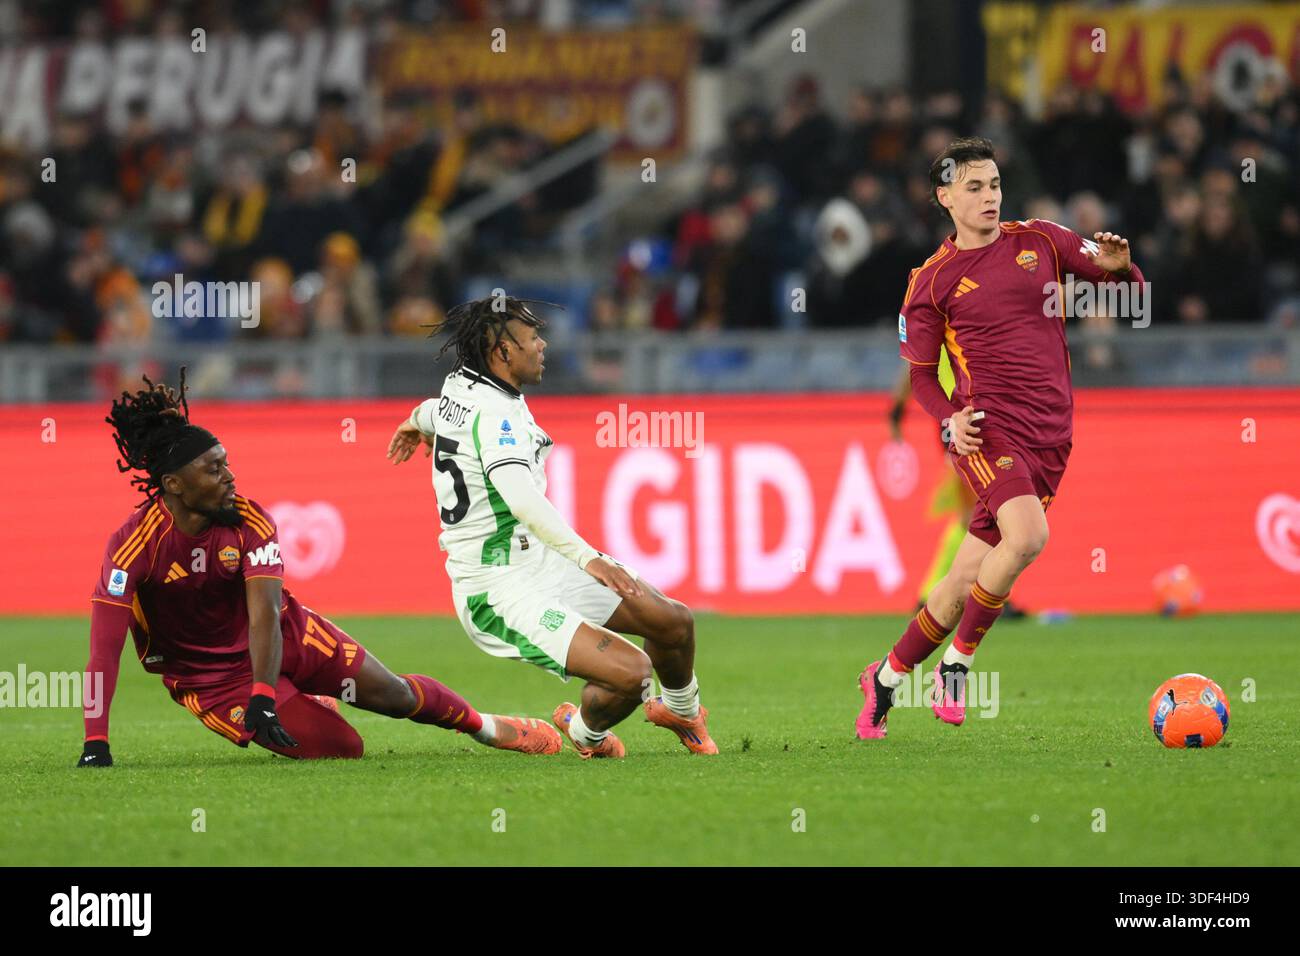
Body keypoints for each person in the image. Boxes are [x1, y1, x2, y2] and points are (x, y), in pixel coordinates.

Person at [79, 370, 561, 767]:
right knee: (343, 748)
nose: (229, 476)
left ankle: (493, 728)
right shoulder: (133, 547)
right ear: (174, 484)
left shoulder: (249, 519)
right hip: (212, 678)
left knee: (394, 694)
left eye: (226, 463)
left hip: (288, 635)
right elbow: (104, 649)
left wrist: (265, 694)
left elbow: (265, 615)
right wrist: (95, 743)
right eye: (213, 469)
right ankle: (309, 704)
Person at [857, 137, 1145, 738]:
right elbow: (919, 374)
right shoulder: (930, 282)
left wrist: (1123, 270)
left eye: (993, 185)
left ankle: (884, 678)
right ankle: (957, 668)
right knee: (1028, 535)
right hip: (987, 431)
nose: (989, 197)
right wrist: (947, 420)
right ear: (945, 198)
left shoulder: (1041, 240)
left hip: (1053, 433)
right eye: (973, 188)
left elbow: (1124, 289)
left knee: (965, 577)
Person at [387, 297, 717, 758]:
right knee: (634, 674)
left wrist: (412, 422)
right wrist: (589, 557)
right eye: (532, 339)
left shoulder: (461, 389)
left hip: (536, 560)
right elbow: (521, 498)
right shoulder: (497, 416)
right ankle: (585, 733)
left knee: (673, 622)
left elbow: (434, 410)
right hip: (496, 587)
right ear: (503, 352)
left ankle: (683, 710)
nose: (542, 345)